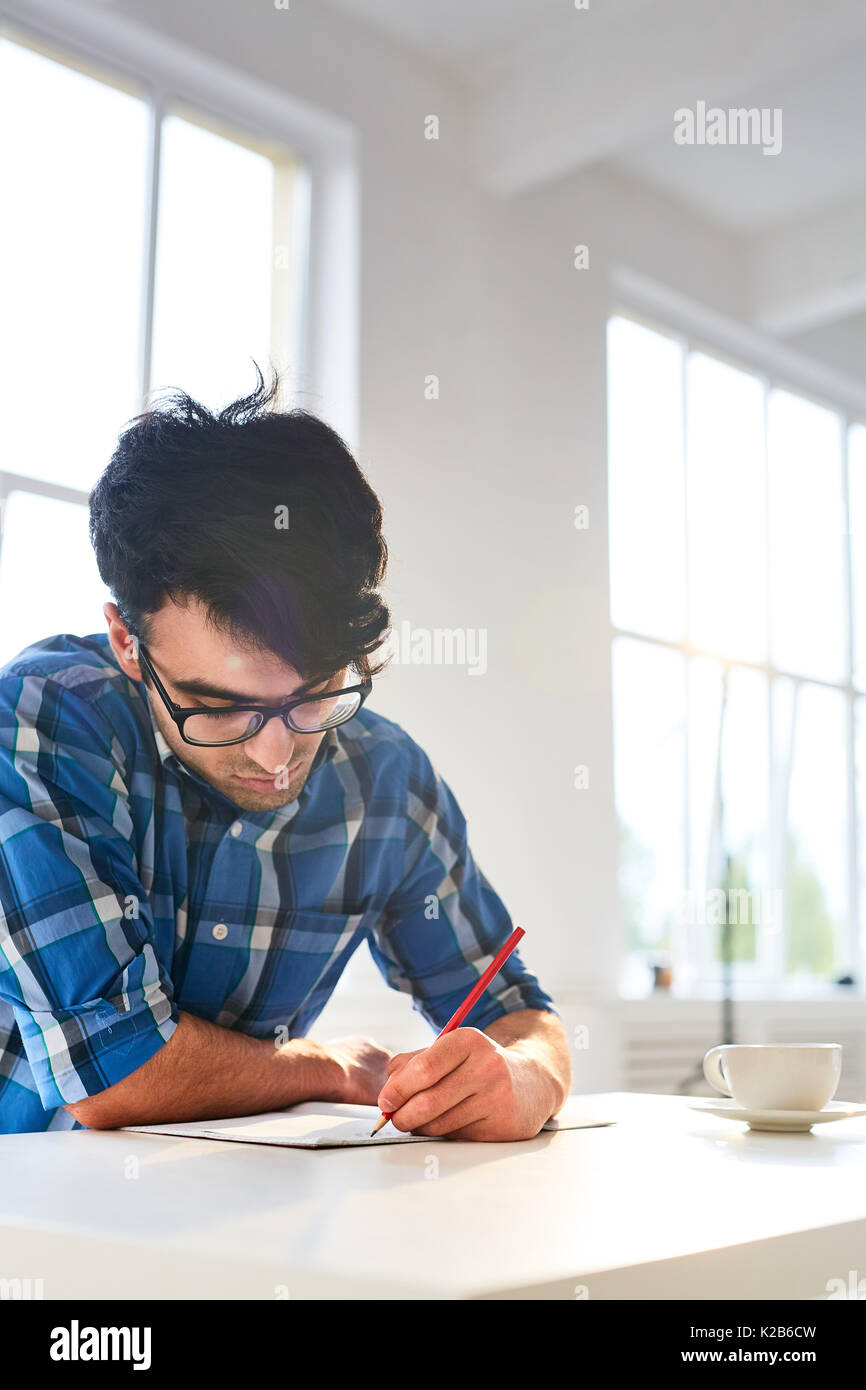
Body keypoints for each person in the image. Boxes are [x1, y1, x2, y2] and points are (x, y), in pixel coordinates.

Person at [0, 372, 571, 1136]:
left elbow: (517, 1013)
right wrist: (330, 1069)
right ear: (127, 642)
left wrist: (523, 1078)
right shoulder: (41, 723)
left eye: (316, 692)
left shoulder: (387, 780)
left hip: (240, 1226)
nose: (278, 753)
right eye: (218, 706)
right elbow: (116, 1073)